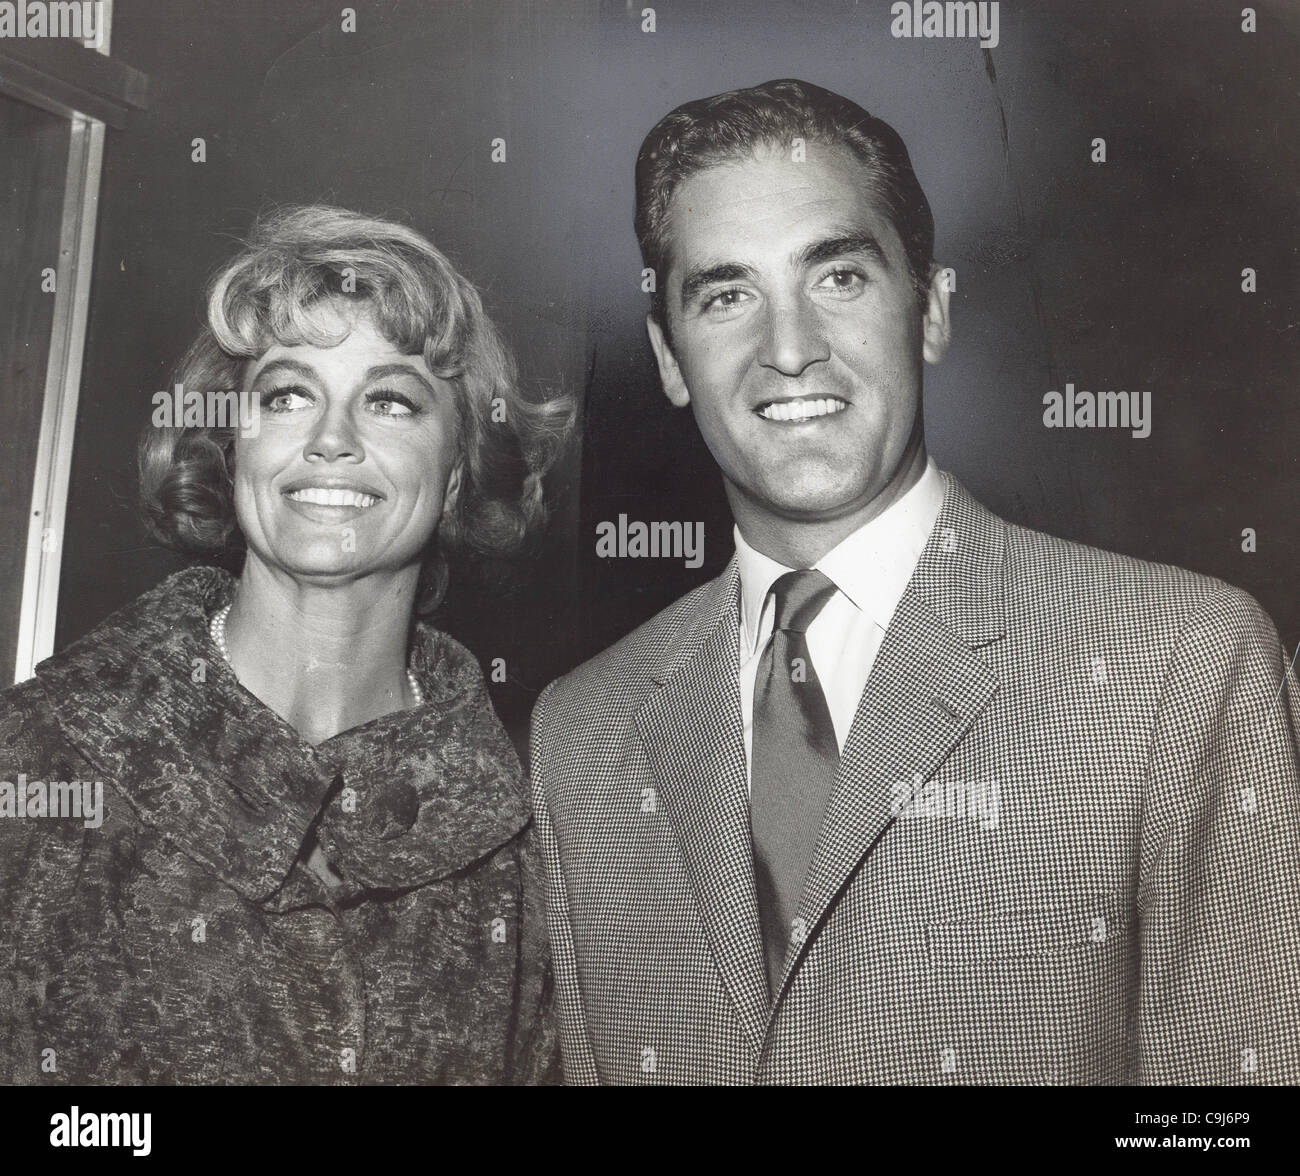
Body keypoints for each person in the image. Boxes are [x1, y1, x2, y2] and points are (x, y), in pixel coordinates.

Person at [529, 79, 1300, 1084]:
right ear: (669, 359)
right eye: (726, 295)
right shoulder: (580, 735)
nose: (789, 349)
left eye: (838, 278)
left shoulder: (1179, 661)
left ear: (929, 311)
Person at [0, 205, 568, 1084]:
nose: (332, 441)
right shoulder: (35, 765)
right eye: (289, 394)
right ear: (231, 449)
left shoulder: (532, 844)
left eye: (389, 400)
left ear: (458, 471)